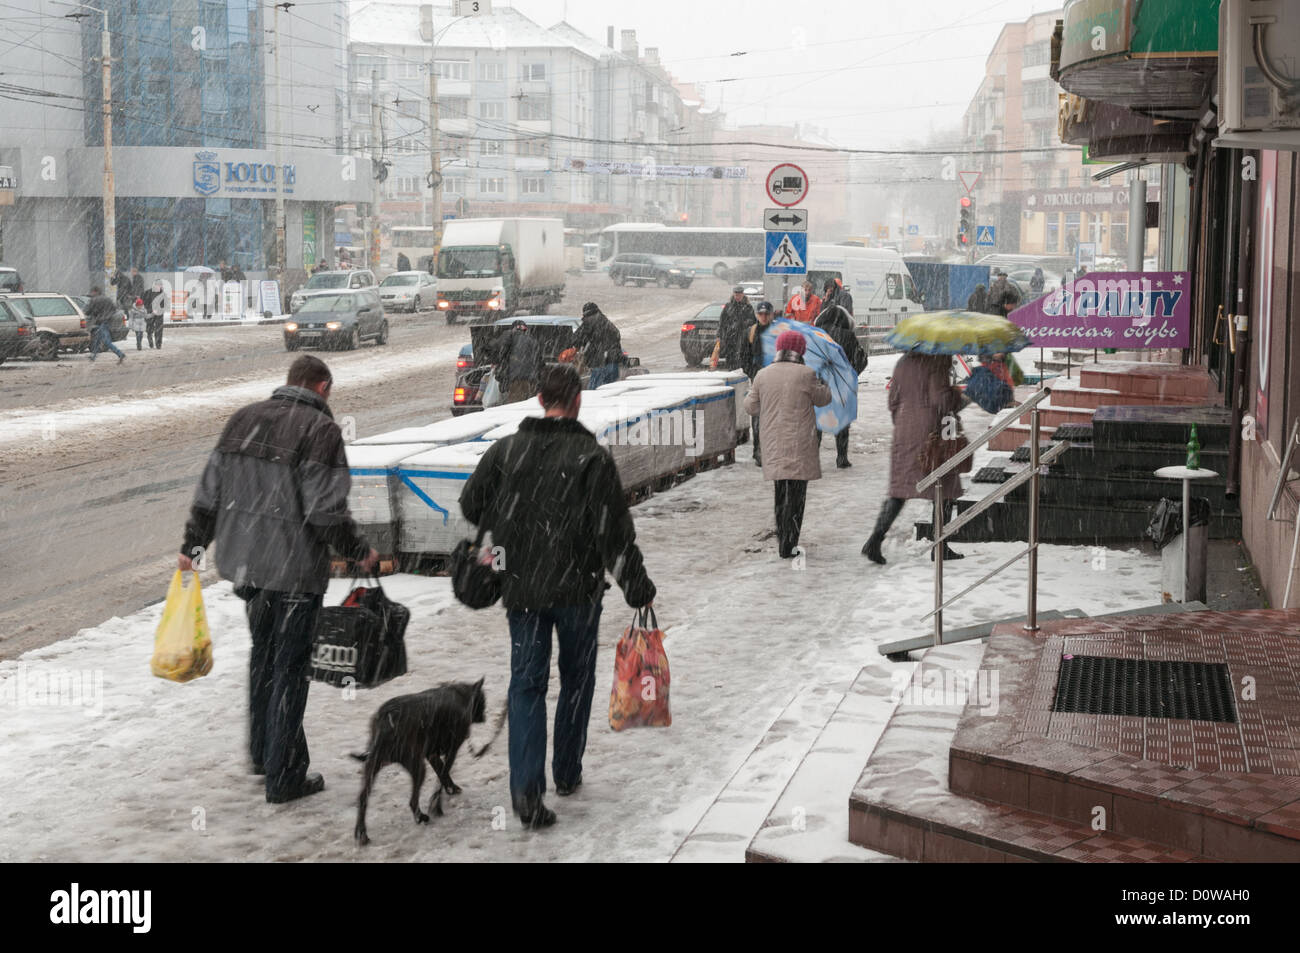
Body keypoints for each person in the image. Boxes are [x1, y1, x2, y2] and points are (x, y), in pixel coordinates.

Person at [460, 363, 656, 829]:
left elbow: (470, 503)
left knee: (526, 685)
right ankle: (567, 772)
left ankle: (527, 793)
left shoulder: (507, 450)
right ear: (577, 400)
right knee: (576, 679)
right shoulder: (590, 457)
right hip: (578, 591)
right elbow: (614, 534)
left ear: (540, 400)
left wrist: (510, 523)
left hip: (522, 590)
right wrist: (637, 587)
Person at [179, 356, 379, 804]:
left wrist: (193, 546)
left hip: (249, 567)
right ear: (323, 387)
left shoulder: (243, 419)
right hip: (294, 570)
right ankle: (284, 775)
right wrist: (358, 551)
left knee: (264, 657)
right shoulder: (320, 431)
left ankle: (262, 753)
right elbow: (324, 511)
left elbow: (210, 493)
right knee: (289, 667)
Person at [861, 353, 964, 565]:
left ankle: (875, 539)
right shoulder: (938, 361)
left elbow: (893, 401)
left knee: (900, 489)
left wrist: (905, 420)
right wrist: (955, 394)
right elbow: (941, 400)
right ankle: (940, 544)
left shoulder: (904, 361)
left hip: (904, 429)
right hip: (932, 434)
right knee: (945, 488)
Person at [743, 330, 832, 559]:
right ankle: (790, 543)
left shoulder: (763, 375)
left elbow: (751, 407)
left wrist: (762, 400)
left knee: (780, 491)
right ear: (800, 350)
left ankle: (782, 537)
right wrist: (824, 382)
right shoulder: (807, 374)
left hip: (773, 441)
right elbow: (823, 399)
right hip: (799, 442)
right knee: (796, 495)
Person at [814, 281, 861, 469]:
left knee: (817, 419)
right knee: (842, 418)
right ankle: (841, 457)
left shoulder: (818, 336)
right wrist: (851, 373)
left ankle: (813, 456)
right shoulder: (848, 336)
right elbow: (861, 359)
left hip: (821, 383)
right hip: (842, 384)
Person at [744, 301, 777, 466]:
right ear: (757, 315)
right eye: (761, 314)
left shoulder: (778, 332)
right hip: (758, 380)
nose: (763, 317)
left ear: (771, 315)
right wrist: (752, 373)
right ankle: (758, 450)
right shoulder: (750, 332)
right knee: (757, 416)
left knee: (774, 417)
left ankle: (771, 450)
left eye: (766, 314)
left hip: (775, 381)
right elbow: (743, 356)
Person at [573, 301, 622, 389]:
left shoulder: (588, 324)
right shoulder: (607, 323)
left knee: (594, 391)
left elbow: (576, 340)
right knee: (610, 390)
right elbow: (616, 337)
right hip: (613, 363)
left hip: (598, 364)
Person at [710, 285, 756, 371]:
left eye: (739, 295)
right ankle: (731, 371)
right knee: (730, 358)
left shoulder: (748, 307)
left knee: (742, 359)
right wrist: (719, 335)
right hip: (730, 338)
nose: (737, 297)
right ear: (733, 295)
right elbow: (722, 322)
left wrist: (743, 323)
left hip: (743, 337)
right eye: (736, 295)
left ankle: (741, 372)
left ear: (743, 295)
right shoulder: (728, 306)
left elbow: (753, 321)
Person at [499, 319, 541, 403]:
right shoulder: (533, 340)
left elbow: (502, 356)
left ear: (513, 329)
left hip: (515, 378)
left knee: (516, 403)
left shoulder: (509, 340)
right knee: (530, 403)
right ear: (525, 329)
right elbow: (539, 360)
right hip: (531, 379)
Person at [84, 286, 125, 364]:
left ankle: (120, 354)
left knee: (106, 341)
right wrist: (107, 315)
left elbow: (88, 311)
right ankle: (93, 356)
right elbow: (114, 309)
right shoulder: (107, 299)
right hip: (107, 321)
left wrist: (95, 314)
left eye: (92, 292)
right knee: (97, 340)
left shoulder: (94, 300)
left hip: (100, 321)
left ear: (95, 292)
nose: (91, 294)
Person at [145, 281, 166, 349]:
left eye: (161, 285)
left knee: (159, 329)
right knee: (149, 328)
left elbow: (164, 303)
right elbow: (146, 303)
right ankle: (150, 340)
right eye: (159, 285)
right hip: (150, 312)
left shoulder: (162, 293)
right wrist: (151, 310)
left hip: (159, 313)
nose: (160, 286)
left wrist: (160, 310)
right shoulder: (148, 292)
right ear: (155, 285)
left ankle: (158, 344)